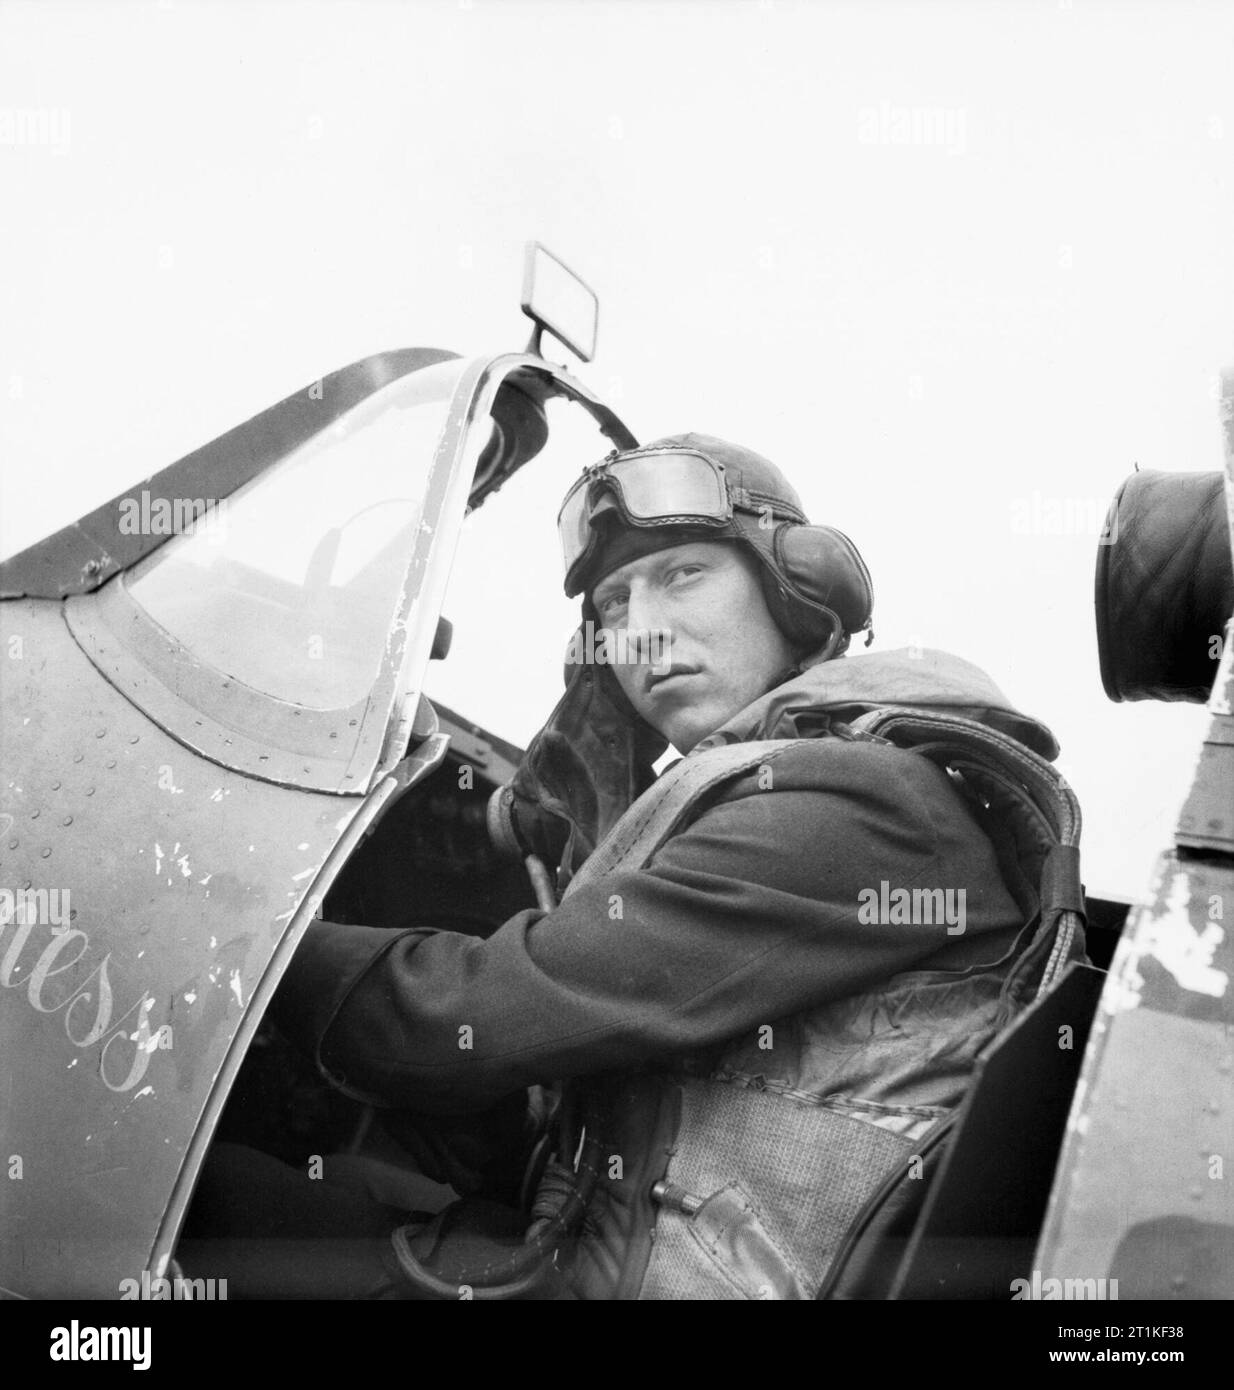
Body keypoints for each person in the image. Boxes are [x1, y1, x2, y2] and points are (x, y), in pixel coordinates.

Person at [192, 433, 1079, 1300]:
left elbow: (472, 1016)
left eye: (683, 574)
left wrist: (244, 949)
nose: (641, 635)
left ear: (800, 592)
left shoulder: (867, 806)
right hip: (596, 1241)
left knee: (223, 1205)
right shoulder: (772, 792)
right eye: (613, 604)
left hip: (617, 1273)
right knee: (324, 1182)